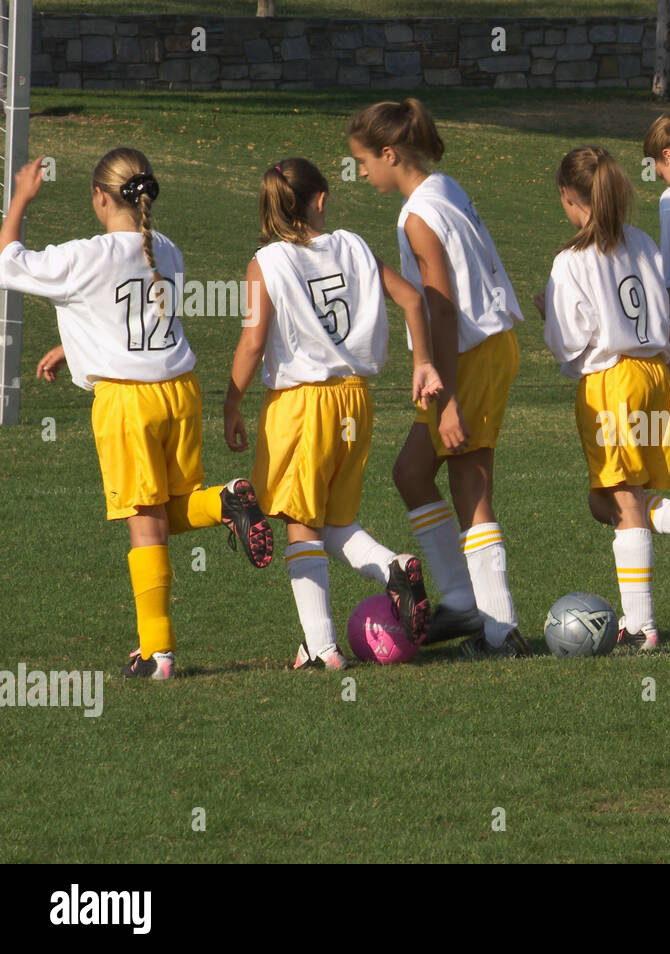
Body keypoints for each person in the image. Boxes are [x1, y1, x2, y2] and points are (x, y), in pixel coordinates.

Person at [0, 148, 273, 680]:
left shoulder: (86, 254)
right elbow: (135, 314)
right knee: (168, 512)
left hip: (130, 401)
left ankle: (158, 654)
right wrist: (74, 348)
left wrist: (21, 198)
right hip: (179, 390)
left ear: (101, 198)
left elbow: (5, 262)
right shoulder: (166, 249)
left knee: (143, 522)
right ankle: (227, 500)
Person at [224, 158, 441, 670]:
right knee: (332, 519)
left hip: (301, 405)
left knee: (299, 521)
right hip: (355, 403)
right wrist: (423, 361)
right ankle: (392, 566)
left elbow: (254, 343)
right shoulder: (355, 246)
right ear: (319, 199)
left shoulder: (268, 262)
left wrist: (232, 403)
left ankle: (323, 649)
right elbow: (411, 298)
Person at [538, 145, 670, 649]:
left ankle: (641, 625)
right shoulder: (644, 243)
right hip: (655, 376)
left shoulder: (571, 261)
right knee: (604, 500)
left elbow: (569, 339)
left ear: (568, 196)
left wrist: (549, 313)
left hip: (613, 380)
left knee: (624, 500)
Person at [349, 99, 529, 659]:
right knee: (413, 472)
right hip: (490, 346)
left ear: (389, 153)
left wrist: (447, 400)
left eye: (362, 160)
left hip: (469, 353)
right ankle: (462, 601)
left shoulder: (416, 215)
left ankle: (499, 630)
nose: (359, 172)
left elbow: (443, 308)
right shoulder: (444, 187)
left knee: (470, 484)